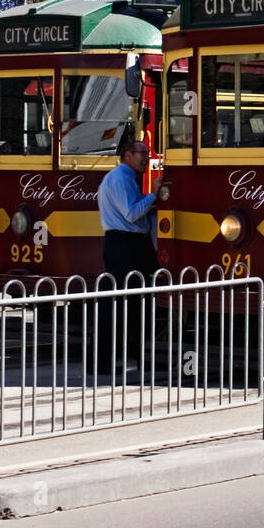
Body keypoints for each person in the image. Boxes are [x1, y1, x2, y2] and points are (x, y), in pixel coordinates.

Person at [94, 136, 164, 377]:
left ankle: (133, 357)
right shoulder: (121, 179)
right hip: (125, 245)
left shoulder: (122, 178)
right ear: (128, 155)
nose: (147, 158)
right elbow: (132, 212)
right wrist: (153, 195)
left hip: (125, 243)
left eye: (146, 153)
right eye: (142, 153)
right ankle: (110, 360)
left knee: (134, 304)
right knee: (127, 303)